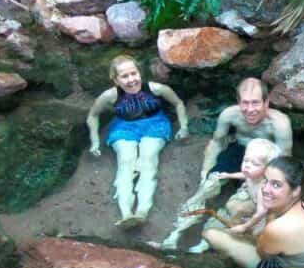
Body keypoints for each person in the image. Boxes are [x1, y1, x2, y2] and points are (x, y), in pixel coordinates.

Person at [161, 77, 292, 249]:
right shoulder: (230, 115)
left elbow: (283, 162)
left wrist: (263, 184)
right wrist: (206, 174)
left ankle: (207, 244)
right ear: (238, 102)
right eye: (245, 103)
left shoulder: (279, 125)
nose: (250, 109)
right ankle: (175, 234)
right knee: (207, 188)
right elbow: (216, 143)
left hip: (264, 161)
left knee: (240, 205)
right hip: (238, 151)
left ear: (266, 102)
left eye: (255, 103)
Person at [86, 55, 189, 227]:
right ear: (116, 80)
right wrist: (94, 140)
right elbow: (93, 115)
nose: (131, 80)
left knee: (148, 159)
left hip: (155, 124)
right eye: (124, 76)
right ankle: (126, 212)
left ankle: (142, 210)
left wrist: (184, 126)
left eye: (133, 74)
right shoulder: (109, 96)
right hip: (124, 127)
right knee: (126, 161)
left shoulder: (157, 88)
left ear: (139, 73)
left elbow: (178, 103)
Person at [203, 156, 304, 268]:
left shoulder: (277, 228)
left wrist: (265, 222)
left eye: (276, 185)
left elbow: (263, 254)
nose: (265, 189)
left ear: (296, 190)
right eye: (265, 180)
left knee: (210, 234)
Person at [163, 138, 281, 254]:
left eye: (254, 163)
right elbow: (243, 175)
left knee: (234, 231)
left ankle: (210, 245)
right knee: (217, 222)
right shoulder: (251, 174)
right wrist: (228, 175)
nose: (247, 166)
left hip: (251, 214)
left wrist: (246, 226)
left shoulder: (262, 189)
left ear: (267, 170)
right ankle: (204, 242)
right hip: (239, 203)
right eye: (246, 160)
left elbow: (261, 212)